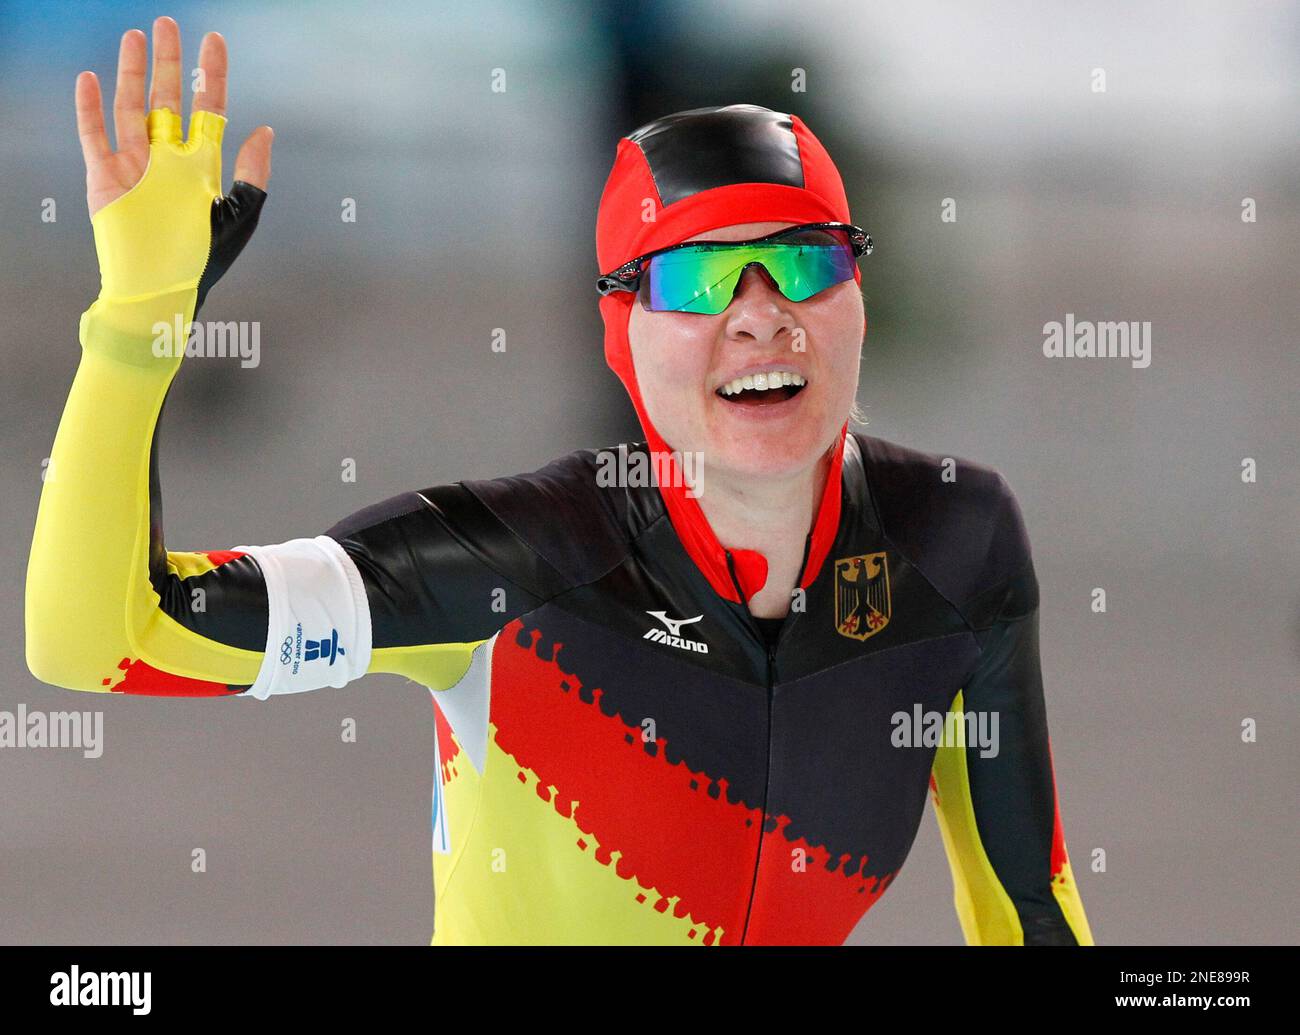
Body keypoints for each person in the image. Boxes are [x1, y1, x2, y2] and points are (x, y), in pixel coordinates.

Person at [26, 16, 1094, 946]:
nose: (763, 312)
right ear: (621, 335)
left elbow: (1028, 914)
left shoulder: (956, 545)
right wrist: (135, 333)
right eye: (698, 276)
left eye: (807, 260)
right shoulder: (511, 566)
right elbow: (99, 640)